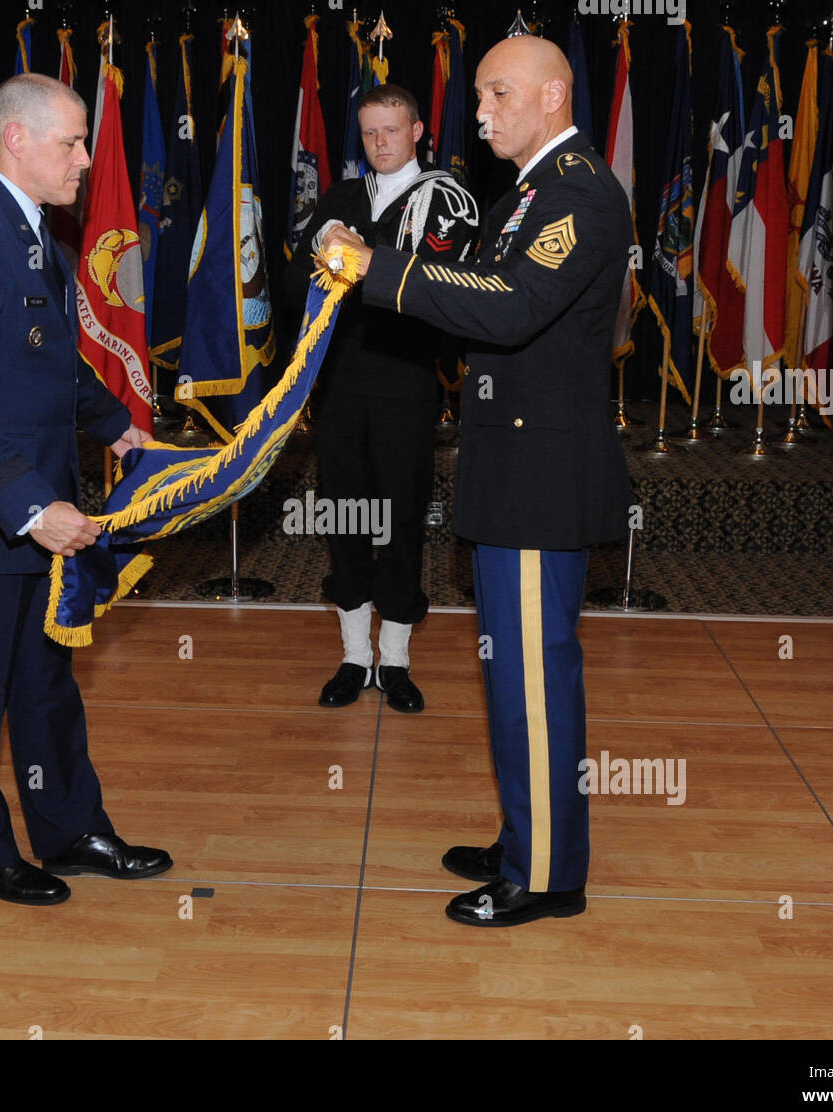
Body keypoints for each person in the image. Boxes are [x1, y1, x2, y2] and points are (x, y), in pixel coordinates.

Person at [321, 36, 633, 926]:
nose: (482, 111)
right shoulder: (528, 191)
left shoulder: (578, 191)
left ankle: (547, 875)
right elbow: (479, 288)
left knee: (535, 681)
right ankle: (525, 836)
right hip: (511, 468)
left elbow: (509, 306)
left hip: (541, 477)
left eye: (499, 94)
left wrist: (374, 268)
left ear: (554, 95)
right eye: (483, 96)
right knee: (513, 679)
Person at [0, 74, 171, 907]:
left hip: (44, 500)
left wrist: (116, 426)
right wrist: (27, 504)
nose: (85, 160)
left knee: (46, 681)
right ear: (15, 139)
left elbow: (52, 361)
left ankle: (70, 831)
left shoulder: (31, 233)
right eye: (72, 142)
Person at [287, 83, 478, 714]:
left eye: (391, 130)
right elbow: (294, 280)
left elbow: (440, 288)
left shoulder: (446, 200)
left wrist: (361, 256)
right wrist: (324, 248)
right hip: (341, 386)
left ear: (417, 131)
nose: (379, 142)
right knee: (345, 517)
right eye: (369, 131)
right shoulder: (341, 198)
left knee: (400, 521)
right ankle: (353, 655)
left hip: (406, 385)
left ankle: (394, 659)